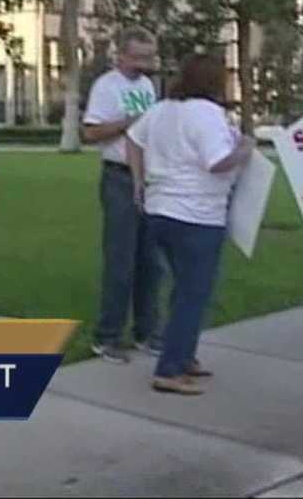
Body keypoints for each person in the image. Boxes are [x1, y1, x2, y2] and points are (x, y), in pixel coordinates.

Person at [125, 53, 254, 395]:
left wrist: (138, 182)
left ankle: (184, 355)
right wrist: (244, 150)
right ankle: (169, 369)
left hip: (160, 211)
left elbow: (133, 139)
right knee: (193, 294)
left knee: (183, 290)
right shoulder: (208, 115)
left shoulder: (162, 109)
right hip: (197, 215)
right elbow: (217, 162)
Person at [81, 26, 163, 364]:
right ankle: (107, 336)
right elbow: (90, 132)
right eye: (140, 56)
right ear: (123, 55)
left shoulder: (147, 86)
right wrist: (131, 121)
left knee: (150, 260)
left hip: (149, 176)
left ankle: (146, 330)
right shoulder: (107, 86)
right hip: (118, 177)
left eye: (150, 56)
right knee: (121, 259)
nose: (146, 63)